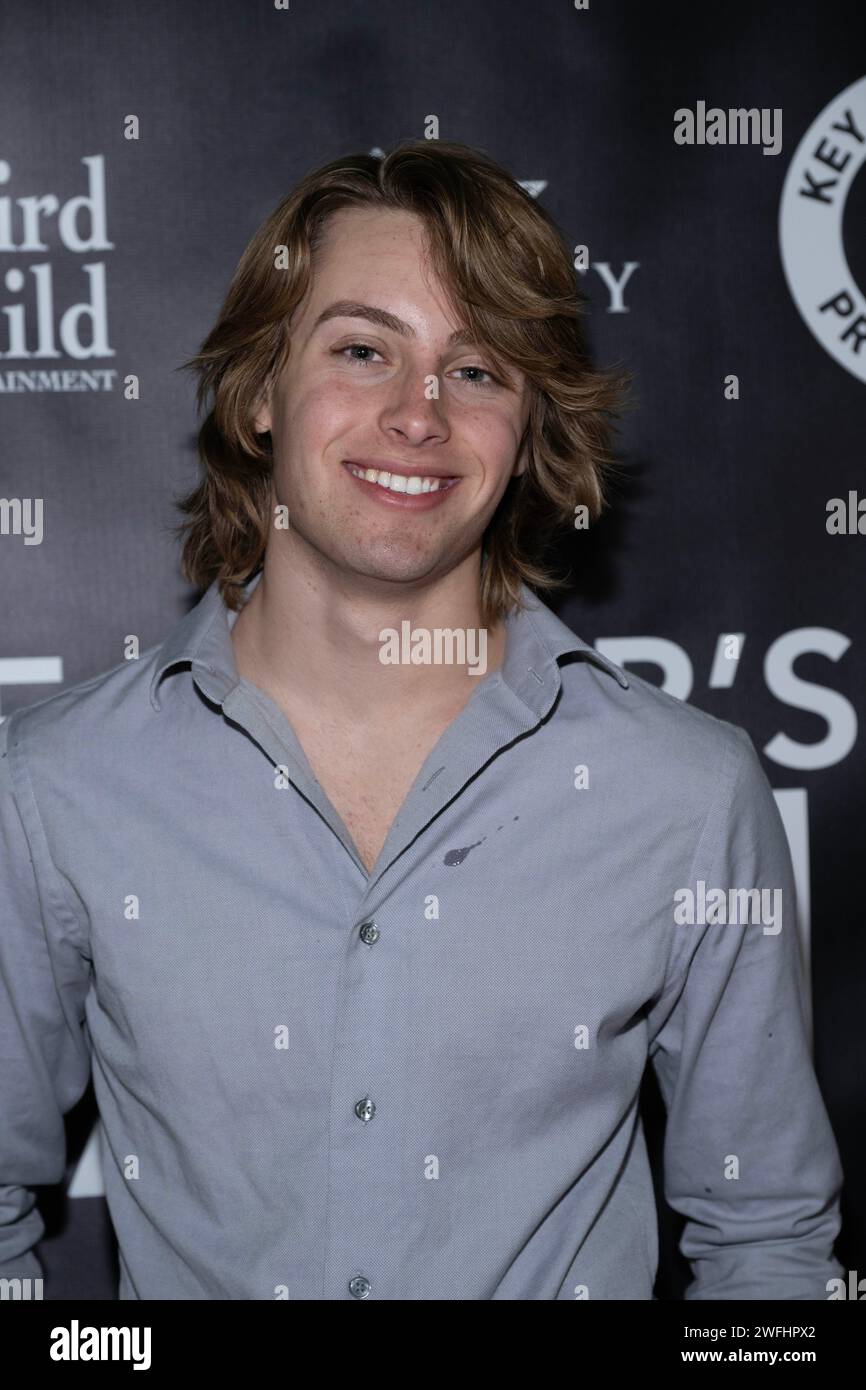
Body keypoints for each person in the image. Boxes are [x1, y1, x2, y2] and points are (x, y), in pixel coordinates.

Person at [0, 140, 844, 1300]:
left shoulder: (685, 794)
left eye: (478, 369)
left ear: (527, 428)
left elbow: (767, 1246)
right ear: (259, 392)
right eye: (362, 350)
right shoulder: (58, 787)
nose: (419, 413)